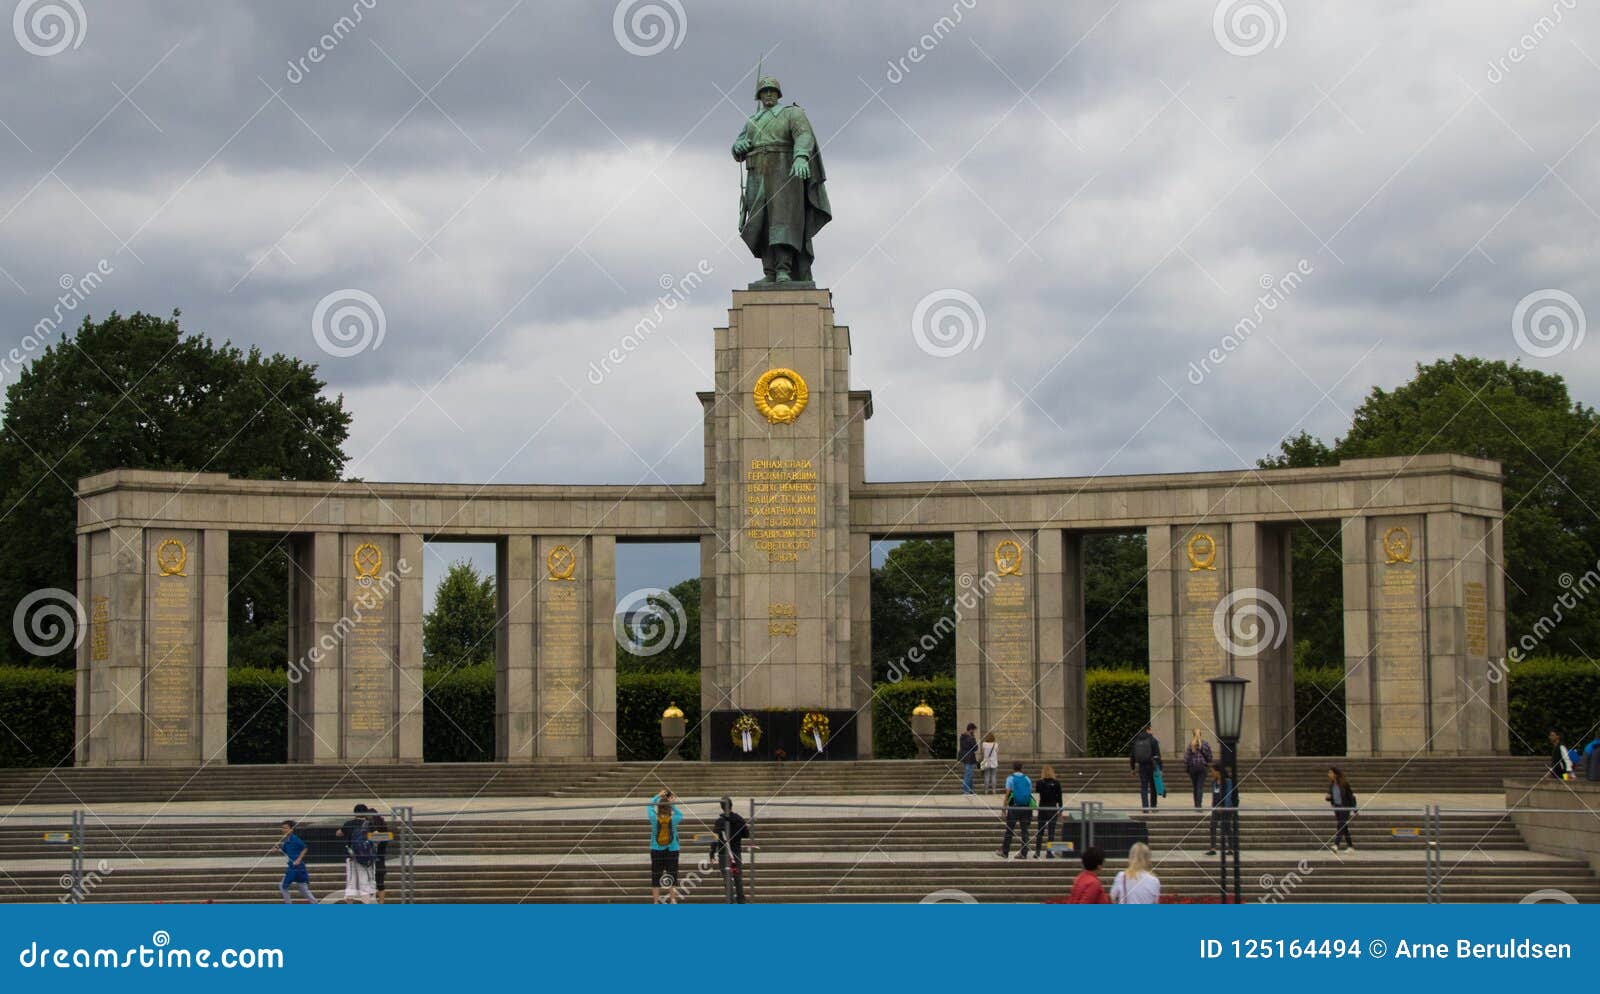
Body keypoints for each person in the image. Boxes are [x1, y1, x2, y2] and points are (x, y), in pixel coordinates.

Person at [710, 796, 751, 904]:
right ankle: (741, 900)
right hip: (736, 852)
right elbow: (746, 834)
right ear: (732, 805)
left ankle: (730, 901)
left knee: (727, 879)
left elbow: (715, 839)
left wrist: (712, 853)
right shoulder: (739, 819)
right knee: (737, 877)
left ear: (721, 807)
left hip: (723, 853)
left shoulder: (719, 822)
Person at [336, 803, 377, 903]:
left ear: (355, 813)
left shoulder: (348, 824)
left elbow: (338, 833)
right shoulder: (369, 824)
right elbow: (377, 836)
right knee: (365, 882)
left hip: (351, 856)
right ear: (366, 813)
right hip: (365, 857)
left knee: (351, 882)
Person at [648, 790, 683, 904]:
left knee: (656, 875)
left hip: (656, 849)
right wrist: (672, 804)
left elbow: (649, 806)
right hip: (672, 849)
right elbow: (680, 815)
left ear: (658, 808)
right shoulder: (673, 820)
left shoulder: (654, 818)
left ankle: (656, 901)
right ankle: (672, 899)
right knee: (671, 874)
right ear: (669, 808)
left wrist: (658, 796)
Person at [997, 761, 1033, 860]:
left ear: (1013, 768)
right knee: (1025, 831)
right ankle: (1024, 853)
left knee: (1009, 830)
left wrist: (1004, 808)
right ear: (1021, 768)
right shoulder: (1027, 778)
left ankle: (1005, 852)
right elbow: (1029, 792)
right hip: (1026, 807)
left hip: (1014, 807)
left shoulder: (1010, 778)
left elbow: (1007, 794)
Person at [277, 820, 315, 904]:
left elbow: (305, 848)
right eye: (282, 828)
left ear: (292, 829)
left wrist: (298, 860)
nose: (283, 830)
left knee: (283, 886)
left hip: (296, 867)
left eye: (285, 828)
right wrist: (278, 848)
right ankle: (314, 903)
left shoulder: (295, 839)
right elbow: (286, 851)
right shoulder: (287, 840)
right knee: (302, 888)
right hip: (295, 867)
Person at [1204, 761, 1236, 857]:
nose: (1212, 773)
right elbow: (1214, 795)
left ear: (1218, 772)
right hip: (1215, 808)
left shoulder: (1228, 781)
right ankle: (1213, 848)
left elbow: (1229, 795)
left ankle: (1231, 848)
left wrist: (1224, 807)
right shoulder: (1214, 782)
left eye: (1213, 771)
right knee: (1213, 826)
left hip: (1226, 808)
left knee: (1226, 828)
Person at [1129, 724, 1162, 811]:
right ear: (1148, 730)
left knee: (1143, 787)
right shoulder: (1153, 740)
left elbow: (1132, 756)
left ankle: (1145, 807)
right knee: (1153, 786)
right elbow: (1158, 755)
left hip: (1142, 766)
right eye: (1151, 729)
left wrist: (1132, 768)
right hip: (1152, 766)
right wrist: (1160, 768)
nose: (1152, 731)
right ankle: (1153, 807)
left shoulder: (1136, 741)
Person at [1033, 765, 1064, 858]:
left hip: (1042, 808)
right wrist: (1060, 810)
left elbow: (1038, 791)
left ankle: (1037, 852)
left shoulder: (1039, 783)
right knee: (1051, 832)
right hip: (1052, 808)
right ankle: (1049, 852)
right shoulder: (1057, 783)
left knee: (1040, 831)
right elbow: (1060, 798)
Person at [1325, 766, 1358, 851]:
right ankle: (1350, 846)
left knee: (1340, 825)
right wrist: (1328, 797)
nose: (1329, 774)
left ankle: (1336, 844)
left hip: (1345, 807)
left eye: (1330, 773)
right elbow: (1331, 797)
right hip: (1337, 807)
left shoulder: (1344, 784)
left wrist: (1355, 809)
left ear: (1335, 774)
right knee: (1344, 827)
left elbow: (1351, 797)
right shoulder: (1332, 785)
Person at [1183, 730, 1213, 808]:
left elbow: (1186, 758)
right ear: (1201, 735)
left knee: (1195, 786)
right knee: (1200, 786)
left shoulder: (1190, 745)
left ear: (1193, 735)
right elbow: (1210, 757)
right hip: (1202, 767)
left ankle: (1196, 804)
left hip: (1193, 768)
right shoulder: (1205, 744)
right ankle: (1199, 804)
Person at [366, 808, 390, 904]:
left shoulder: (367, 831)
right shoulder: (385, 832)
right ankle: (381, 904)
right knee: (380, 884)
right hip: (380, 861)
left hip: (369, 862)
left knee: (367, 885)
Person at [958, 723, 980, 795]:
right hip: (969, 758)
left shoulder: (962, 736)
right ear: (971, 729)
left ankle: (970, 790)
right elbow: (975, 748)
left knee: (969, 774)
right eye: (974, 730)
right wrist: (974, 739)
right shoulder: (970, 738)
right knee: (968, 775)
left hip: (964, 757)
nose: (974, 731)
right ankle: (966, 790)